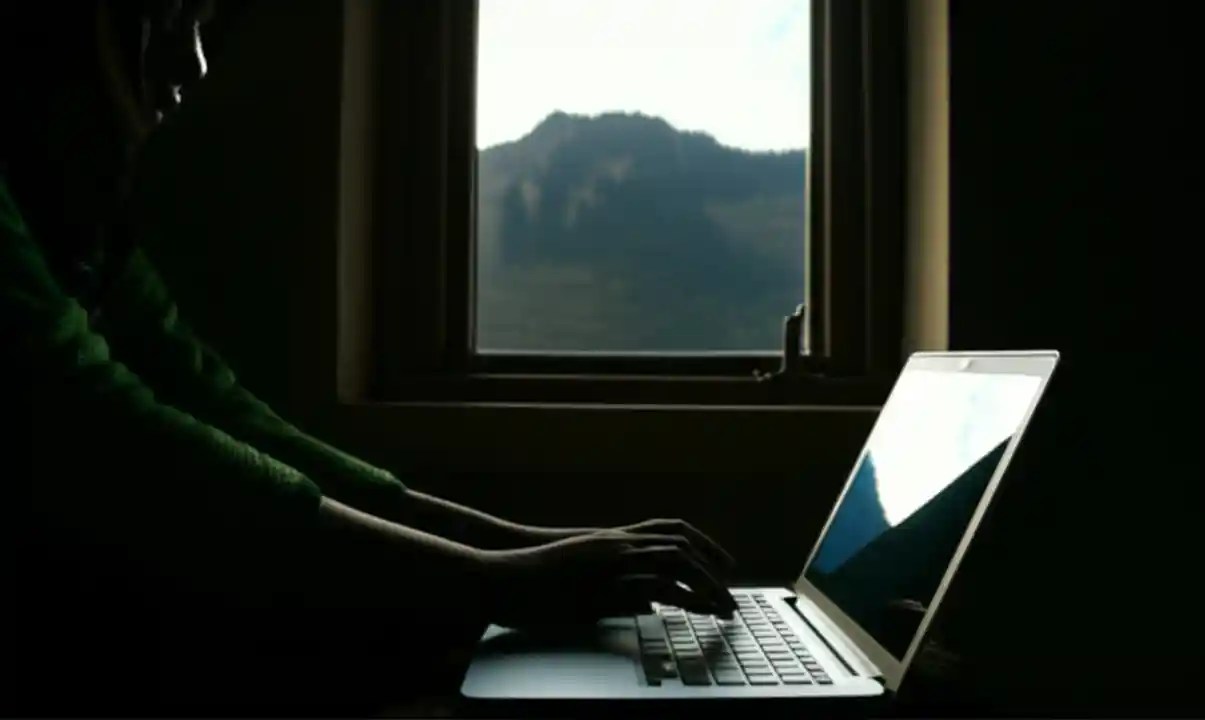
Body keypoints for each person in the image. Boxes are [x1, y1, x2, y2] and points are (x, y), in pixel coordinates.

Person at [0, 1, 736, 714]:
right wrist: (502, 579)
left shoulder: (80, 219)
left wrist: (535, 550)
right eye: (175, 21)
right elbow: (107, 439)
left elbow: (222, 414)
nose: (193, 65)